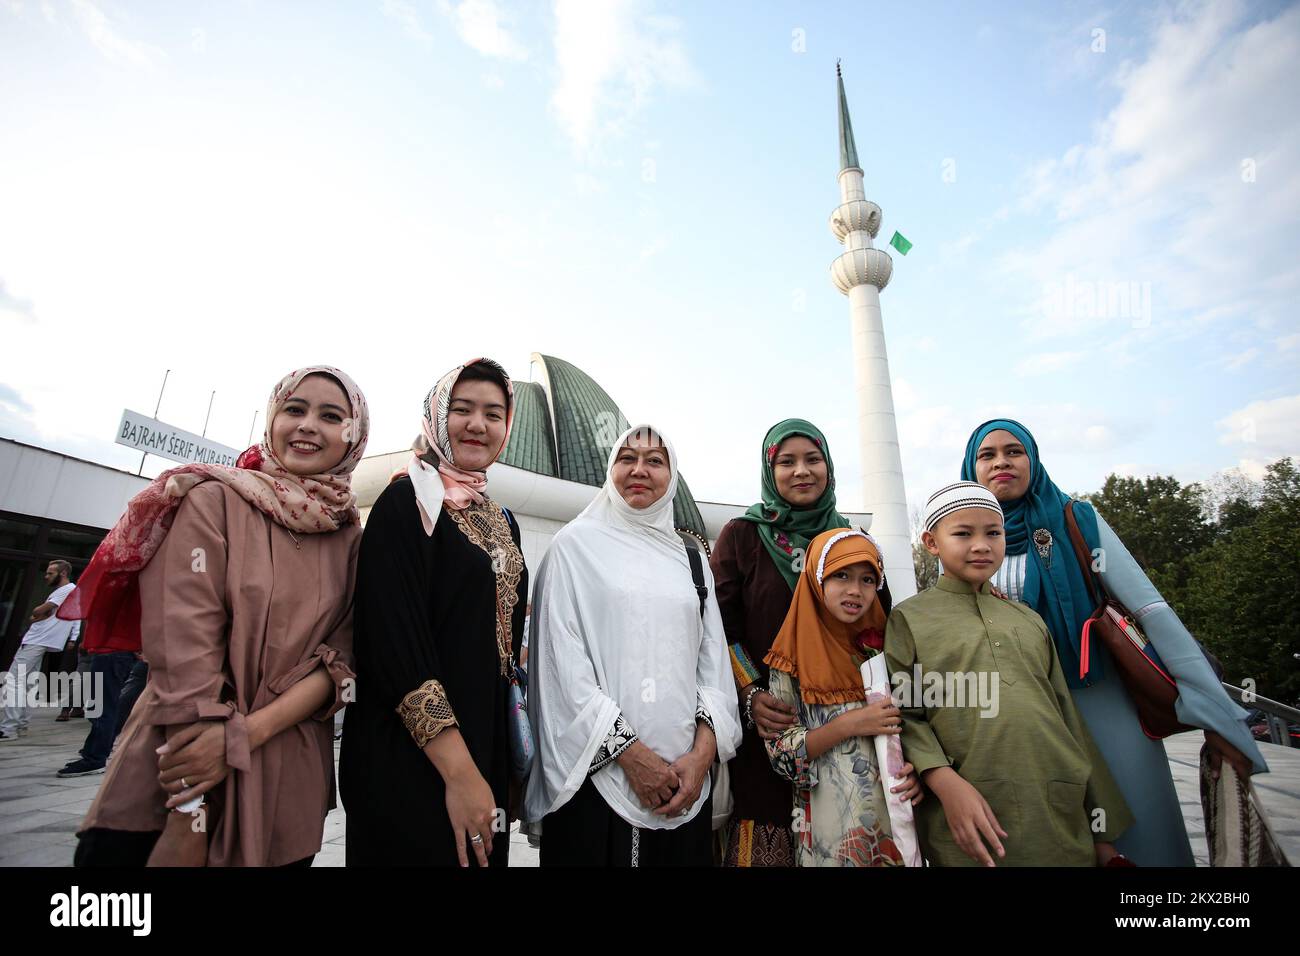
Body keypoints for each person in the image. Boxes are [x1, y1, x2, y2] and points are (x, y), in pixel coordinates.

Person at [66, 365, 370, 866]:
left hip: (283, 773)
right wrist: (189, 808)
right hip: (176, 762)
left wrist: (248, 733)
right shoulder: (213, 499)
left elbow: (340, 662)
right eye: (294, 409)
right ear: (270, 420)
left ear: (353, 435)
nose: (308, 425)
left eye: (331, 416)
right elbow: (184, 646)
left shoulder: (349, 537)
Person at [961, 419, 1265, 865]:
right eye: (987, 455)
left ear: (1034, 460)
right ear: (972, 467)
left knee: (1140, 838)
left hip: (1099, 699)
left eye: (1014, 451)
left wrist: (1218, 716)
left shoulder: (1077, 520)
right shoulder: (963, 534)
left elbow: (1151, 612)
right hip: (1018, 716)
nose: (1001, 462)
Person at [524, 424, 741, 867]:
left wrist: (699, 759)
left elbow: (713, 665)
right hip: (595, 783)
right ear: (610, 470)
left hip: (685, 788)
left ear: (672, 476)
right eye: (627, 458)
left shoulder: (692, 559)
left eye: (655, 461)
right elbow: (559, 667)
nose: (639, 469)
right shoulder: (573, 548)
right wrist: (633, 757)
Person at [885, 482, 1133, 866]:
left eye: (993, 533)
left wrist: (1101, 830)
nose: (982, 545)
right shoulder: (909, 618)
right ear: (932, 543)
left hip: (1058, 812)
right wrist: (943, 781)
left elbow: (1068, 719)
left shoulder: (1028, 619)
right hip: (968, 814)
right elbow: (908, 714)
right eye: (963, 533)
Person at [340, 358, 527, 868]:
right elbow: (392, 645)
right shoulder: (405, 502)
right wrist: (460, 775)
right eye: (462, 409)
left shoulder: (502, 519)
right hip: (413, 760)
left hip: (483, 752)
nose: (477, 425)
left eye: (493, 413)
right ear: (437, 416)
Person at [712, 418, 911, 866]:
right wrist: (752, 693)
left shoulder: (852, 542)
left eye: (813, 459)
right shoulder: (742, 536)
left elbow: (883, 630)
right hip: (771, 724)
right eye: (787, 462)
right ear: (770, 470)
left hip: (852, 730)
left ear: (829, 467)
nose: (801, 471)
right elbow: (722, 630)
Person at [763, 528, 922, 866]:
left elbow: (919, 728)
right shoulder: (790, 659)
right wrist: (847, 724)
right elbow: (781, 755)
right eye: (841, 575)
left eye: (868, 579)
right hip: (830, 831)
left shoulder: (892, 650)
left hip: (897, 822)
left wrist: (919, 772)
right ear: (816, 579)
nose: (855, 590)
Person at [1, 560, 76, 741]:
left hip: (37, 640)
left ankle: (8, 728)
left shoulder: (66, 590)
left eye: (51, 573)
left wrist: (39, 612)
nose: (46, 576)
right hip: (42, 640)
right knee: (29, 684)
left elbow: (38, 611)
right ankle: (20, 725)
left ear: (63, 573)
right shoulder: (67, 591)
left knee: (13, 681)